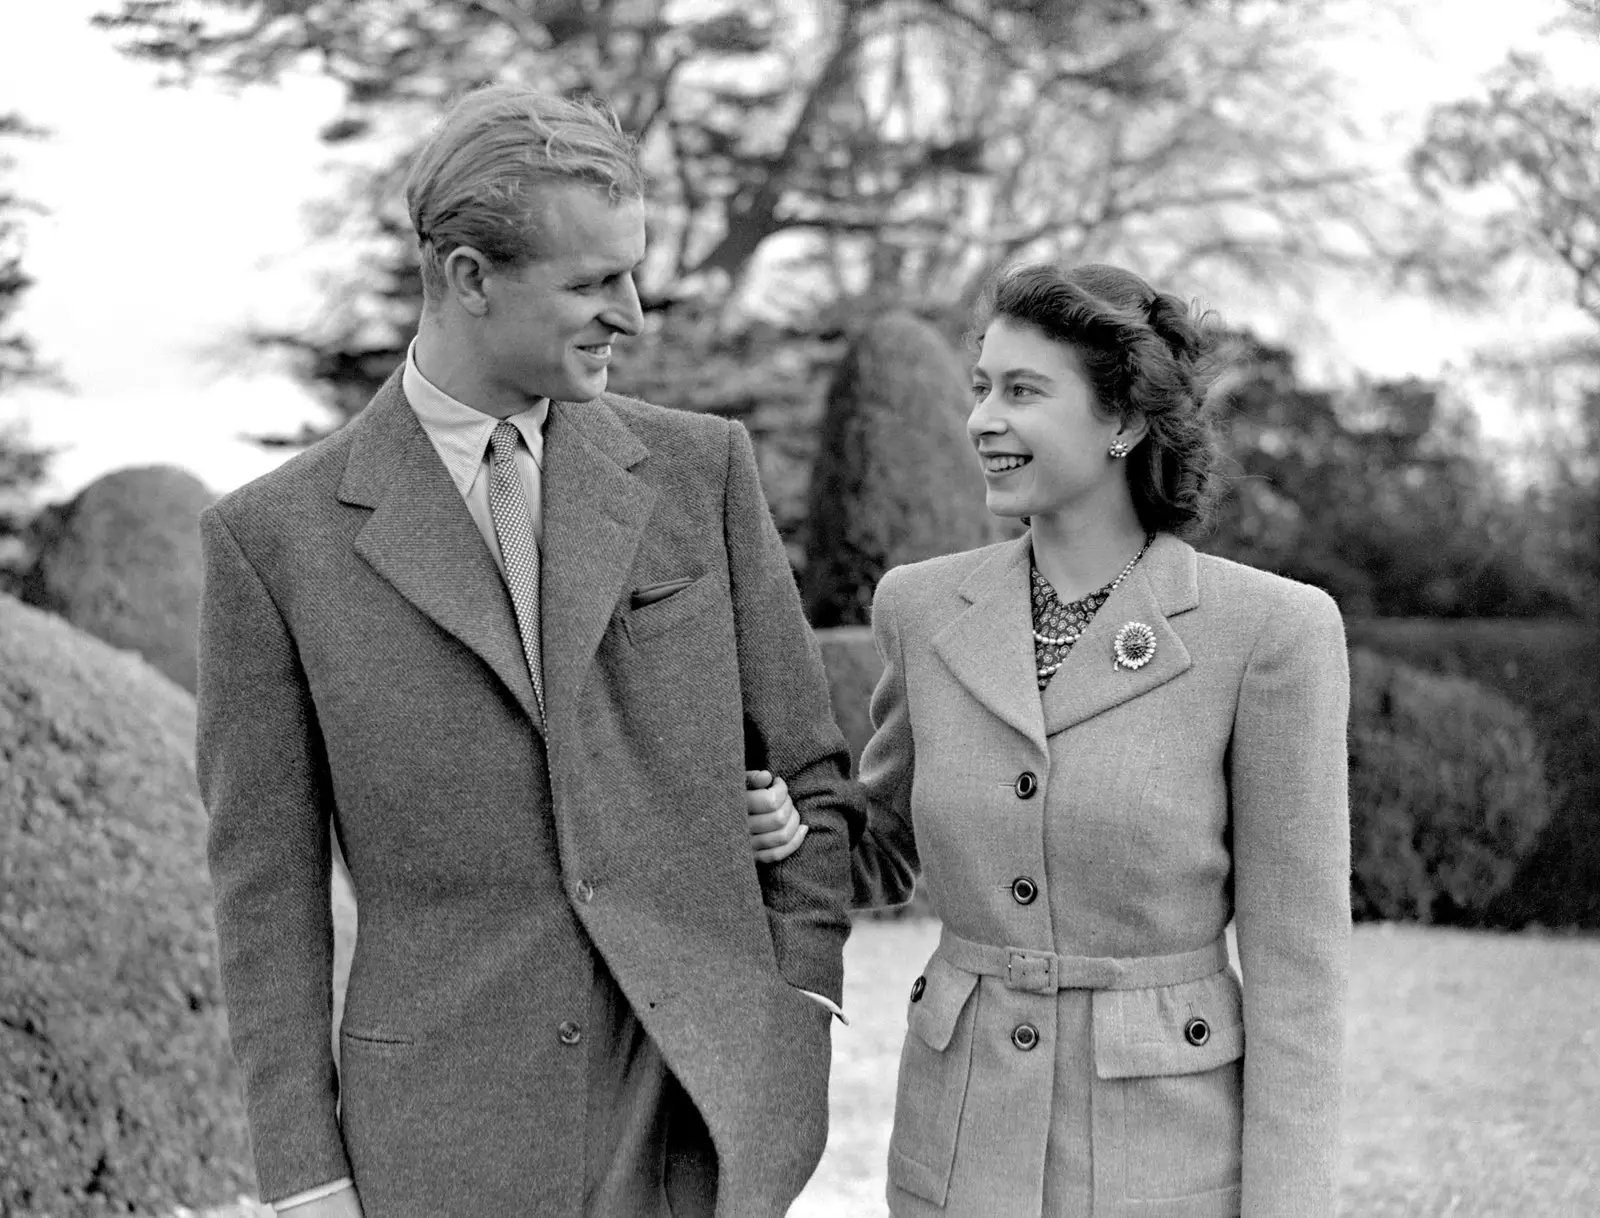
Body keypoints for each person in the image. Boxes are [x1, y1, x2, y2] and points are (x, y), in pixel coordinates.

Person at [195, 84, 862, 1218]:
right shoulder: (274, 542)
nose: (634, 315)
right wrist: (306, 1182)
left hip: (696, 1124)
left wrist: (794, 1012)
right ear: (465, 276)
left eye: (634, 273)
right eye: (594, 284)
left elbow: (810, 776)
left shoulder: (702, 474)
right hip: (439, 1147)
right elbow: (266, 898)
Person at [750, 262, 1351, 1216]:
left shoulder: (1270, 632)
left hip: (1165, 1162)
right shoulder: (920, 606)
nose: (983, 418)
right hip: (957, 1147)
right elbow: (884, 849)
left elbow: (1299, 973)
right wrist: (793, 832)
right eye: (981, 388)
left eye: (1023, 391)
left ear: (1125, 420)